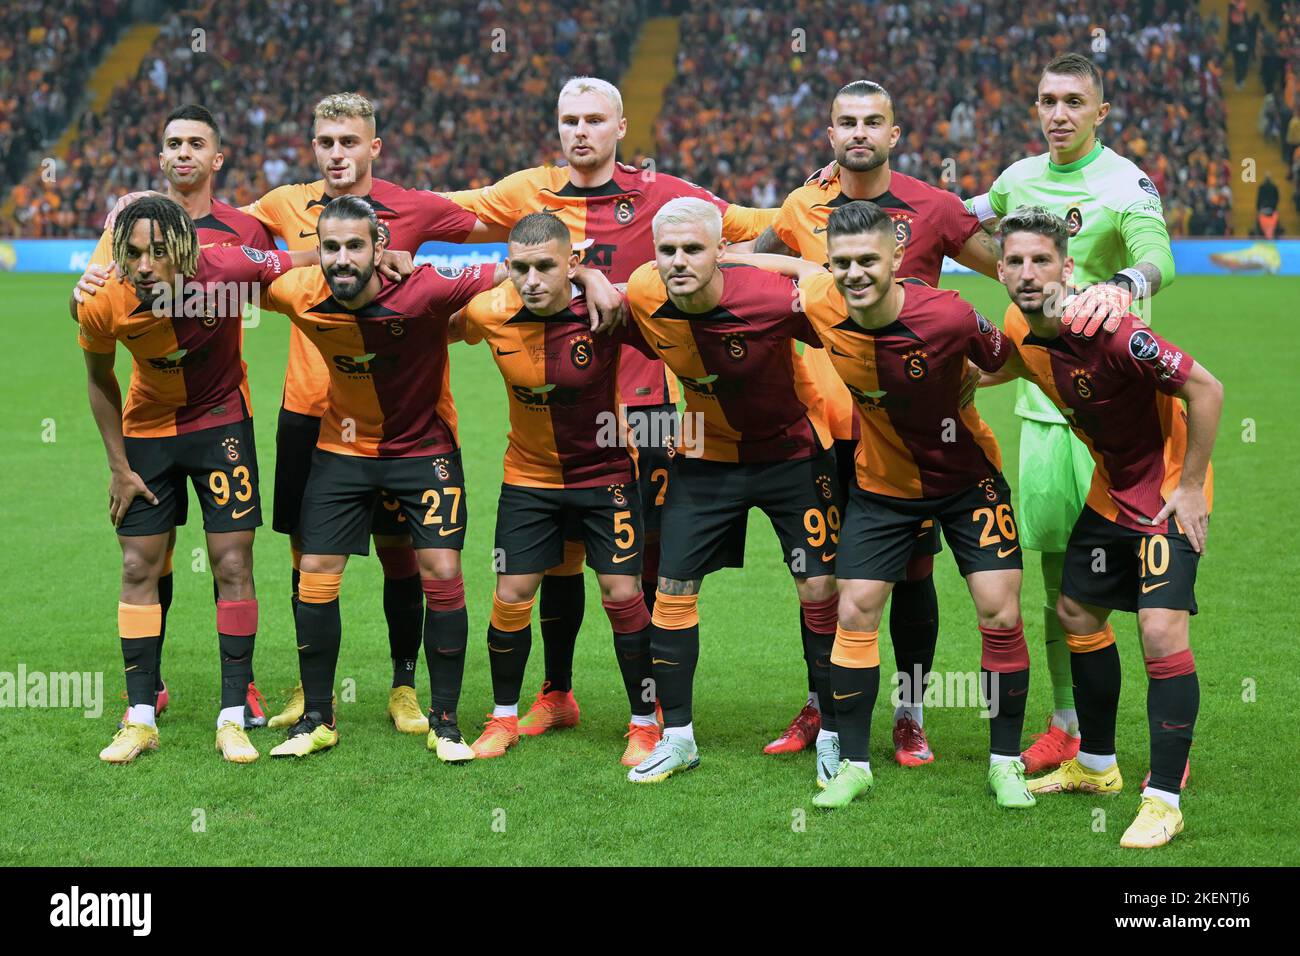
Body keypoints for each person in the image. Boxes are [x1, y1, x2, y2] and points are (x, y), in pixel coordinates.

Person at [444, 77, 777, 744]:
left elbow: (759, 231)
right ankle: (556, 693)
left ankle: (649, 708)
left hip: (648, 413)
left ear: (622, 126)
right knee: (558, 563)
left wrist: (620, 282)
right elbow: (441, 216)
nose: (581, 131)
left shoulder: (666, 195)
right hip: (559, 424)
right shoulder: (526, 193)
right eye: (570, 119)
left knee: (641, 570)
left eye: (595, 119)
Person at [752, 79, 1004, 766]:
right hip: (822, 426)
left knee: (914, 577)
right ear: (828, 133)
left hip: (909, 436)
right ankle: (824, 706)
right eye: (845, 122)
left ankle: (910, 711)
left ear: (895, 134)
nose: (858, 132)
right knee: (821, 577)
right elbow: (755, 271)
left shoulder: (934, 207)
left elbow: (1013, 272)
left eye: (872, 122)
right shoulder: (803, 205)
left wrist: (997, 358)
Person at [988, 206, 1222, 848]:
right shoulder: (1019, 321)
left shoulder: (1115, 330)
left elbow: (1207, 389)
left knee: (1159, 628)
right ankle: (1095, 767)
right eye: (1016, 261)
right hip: (1111, 491)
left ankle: (1164, 798)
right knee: (1077, 611)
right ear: (1000, 270)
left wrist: (1194, 485)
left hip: (1168, 495)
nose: (1028, 273)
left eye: (1042, 260)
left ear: (1068, 267)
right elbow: (1015, 361)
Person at [967, 53, 1175, 774]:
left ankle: (1153, 733)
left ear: (1100, 111)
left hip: (1119, 403)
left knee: (1154, 592)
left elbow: (1159, 257)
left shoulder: (1126, 183)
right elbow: (959, 220)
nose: (1058, 113)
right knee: (1060, 576)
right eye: (1048, 100)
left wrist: (1122, 284)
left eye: (1073, 101)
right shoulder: (1018, 179)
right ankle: (1068, 726)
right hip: (1044, 404)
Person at [74, 196, 309, 763]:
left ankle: (232, 716)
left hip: (221, 422)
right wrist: (119, 467)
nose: (146, 265)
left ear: (185, 248)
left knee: (232, 563)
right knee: (137, 565)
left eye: (158, 252)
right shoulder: (103, 299)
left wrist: (389, 255)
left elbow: (304, 259)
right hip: (148, 429)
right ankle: (140, 717)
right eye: (133, 254)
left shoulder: (229, 265)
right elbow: (99, 377)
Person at [620, 197, 840, 787]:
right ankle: (678, 739)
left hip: (792, 455)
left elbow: (842, 313)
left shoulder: (770, 298)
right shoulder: (644, 291)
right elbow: (611, 302)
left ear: (724, 252)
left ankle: (832, 727)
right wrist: (589, 273)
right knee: (671, 588)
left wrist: (804, 270)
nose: (679, 261)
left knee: (818, 586)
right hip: (705, 456)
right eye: (668, 250)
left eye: (694, 249)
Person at [450, 212, 660, 767]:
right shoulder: (489, 311)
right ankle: (508, 716)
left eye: (546, 266)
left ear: (573, 262)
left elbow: (676, 336)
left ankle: (646, 721)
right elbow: (435, 325)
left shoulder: (606, 310)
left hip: (607, 475)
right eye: (520, 267)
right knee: (513, 593)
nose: (533, 279)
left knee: (621, 594)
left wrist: (599, 283)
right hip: (529, 477)